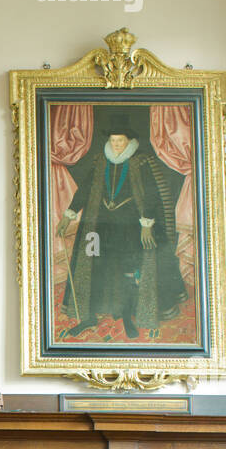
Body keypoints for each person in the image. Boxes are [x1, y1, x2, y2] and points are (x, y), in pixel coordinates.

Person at [56, 119, 186, 339]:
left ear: (129, 142)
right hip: (95, 229)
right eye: (113, 140)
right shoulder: (100, 161)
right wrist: (68, 215)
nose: (116, 144)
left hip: (130, 229)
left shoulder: (141, 162)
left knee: (127, 271)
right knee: (92, 266)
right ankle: (88, 317)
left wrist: (146, 225)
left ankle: (127, 315)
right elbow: (85, 190)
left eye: (120, 140)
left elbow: (152, 197)